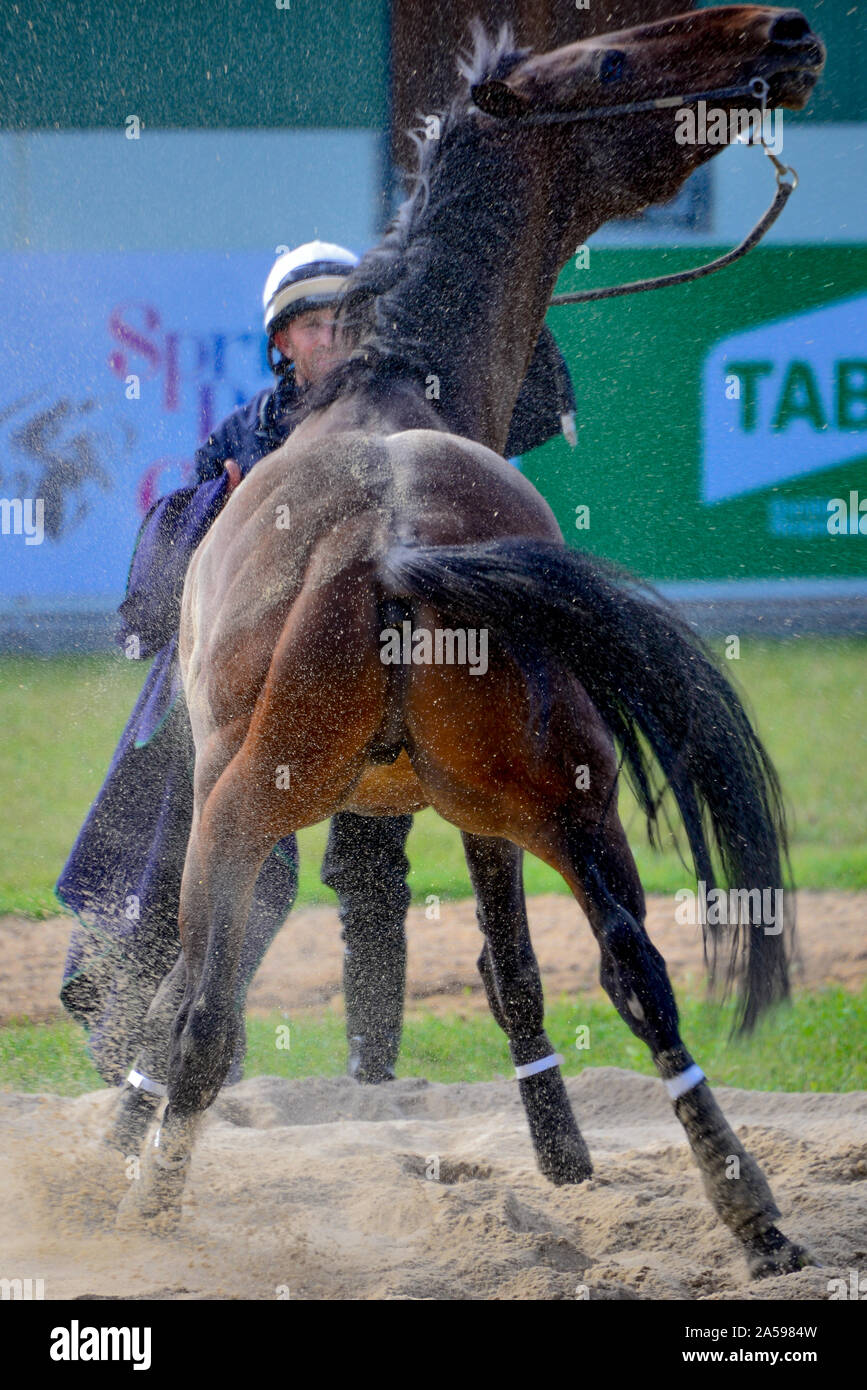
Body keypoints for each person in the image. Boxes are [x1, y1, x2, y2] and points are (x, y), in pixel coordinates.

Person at [57, 238, 577, 1098]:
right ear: (279, 343)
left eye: (347, 315)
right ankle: (174, 1055)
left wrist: (511, 289)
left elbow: (524, 405)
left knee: (372, 877)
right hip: (283, 702)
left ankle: (371, 1076)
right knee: (222, 864)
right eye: (312, 320)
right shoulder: (246, 434)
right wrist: (217, 503)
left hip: (407, 667)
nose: (332, 331)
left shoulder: (414, 405)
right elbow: (176, 573)